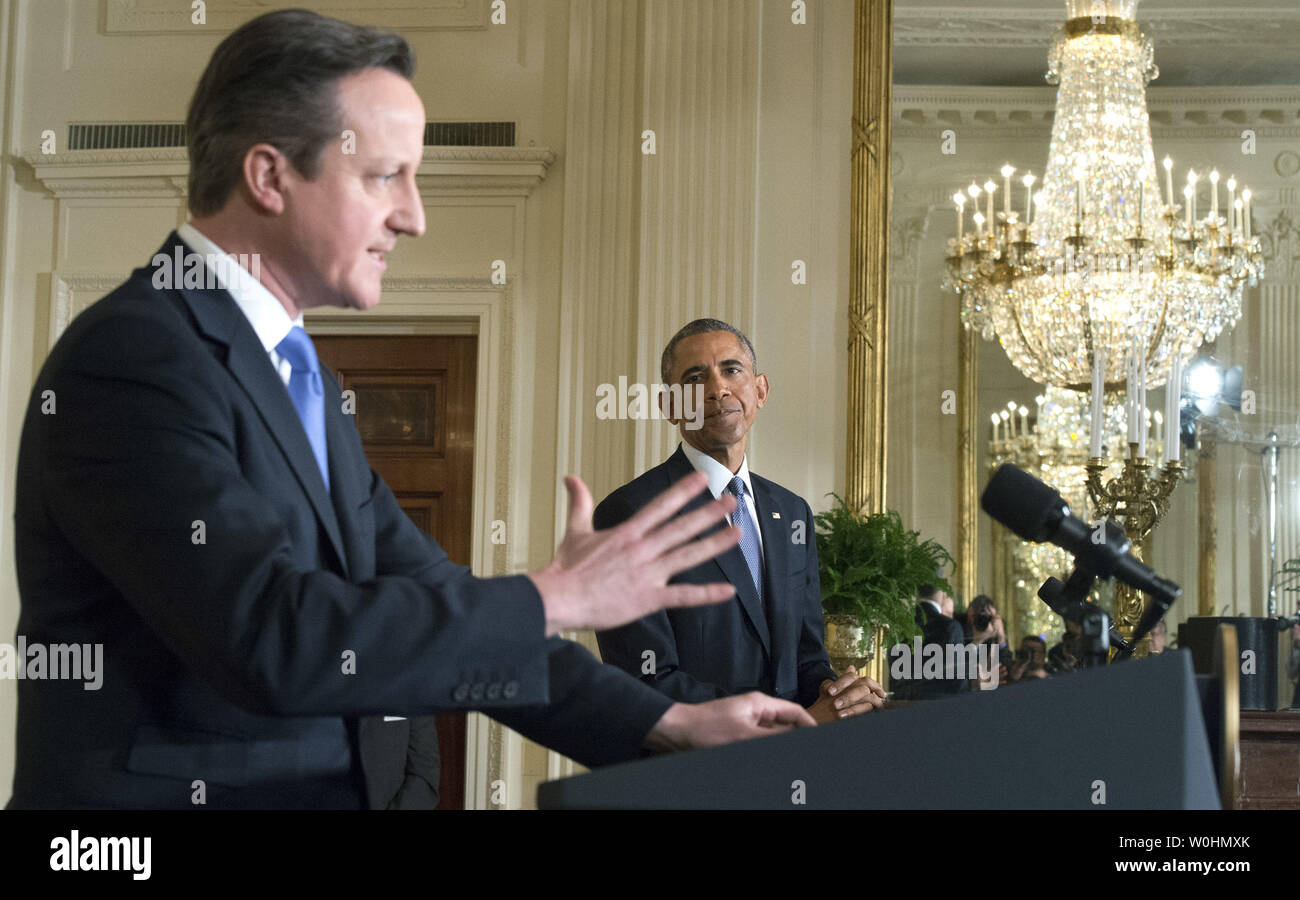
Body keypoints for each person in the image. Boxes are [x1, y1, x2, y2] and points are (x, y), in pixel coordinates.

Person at [8, 11, 813, 810]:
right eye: (383, 176)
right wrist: (553, 598)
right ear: (268, 175)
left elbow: (437, 591)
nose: (414, 214)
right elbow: (270, 635)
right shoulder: (136, 356)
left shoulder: (298, 374)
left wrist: (673, 719)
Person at [594, 319, 886, 723]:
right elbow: (648, 682)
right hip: (689, 774)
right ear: (670, 406)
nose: (718, 389)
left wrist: (835, 693)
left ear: (760, 389)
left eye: (732, 370)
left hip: (790, 772)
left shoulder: (792, 512)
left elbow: (807, 656)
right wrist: (791, 725)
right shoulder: (630, 514)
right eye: (696, 378)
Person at [891, 585, 967, 700]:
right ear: (944, 590)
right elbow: (957, 684)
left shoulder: (899, 625)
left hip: (899, 708)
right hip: (938, 709)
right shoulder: (950, 627)